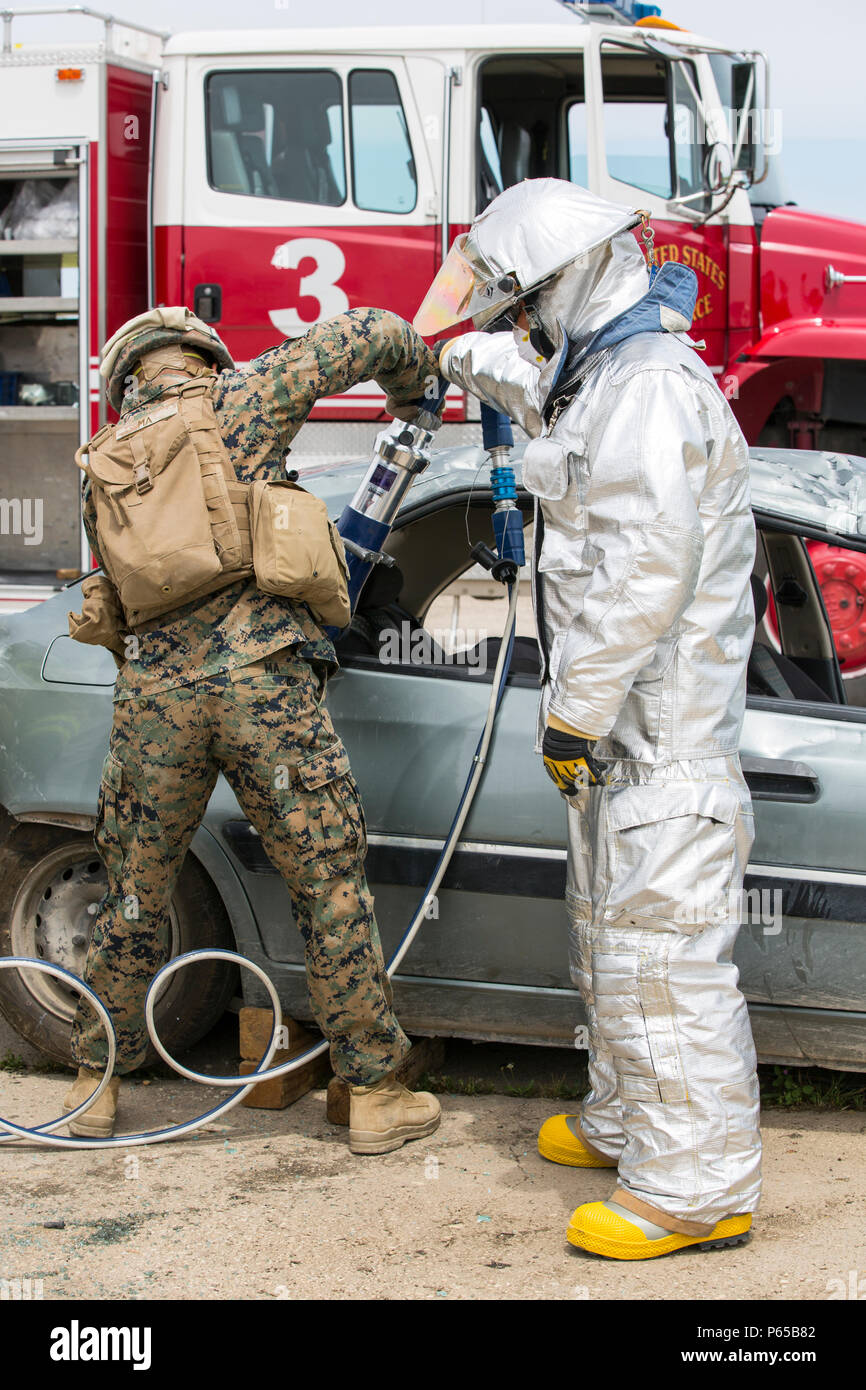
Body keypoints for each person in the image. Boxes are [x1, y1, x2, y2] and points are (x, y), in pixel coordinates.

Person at [416, 178, 760, 1260]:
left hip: (658, 739)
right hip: (620, 740)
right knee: (606, 935)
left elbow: (643, 571)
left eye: (523, 304)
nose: (519, 325)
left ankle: (696, 1191)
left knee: (662, 958)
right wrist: (438, 343)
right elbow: (520, 376)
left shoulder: (649, 391)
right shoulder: (599, 374)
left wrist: (570, 713)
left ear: (565, 282)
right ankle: (627, 1119)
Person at [64, 304, 441, 1156]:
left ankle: (94, 1083)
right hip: (263, 683)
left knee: (132, 893)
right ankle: (373, 1091)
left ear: (127, 379)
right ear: (201, 356)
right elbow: (371, 330)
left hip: (156, 703)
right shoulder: (243, 398)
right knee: (327, 881)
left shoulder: (104, 462)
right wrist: (419, 389)